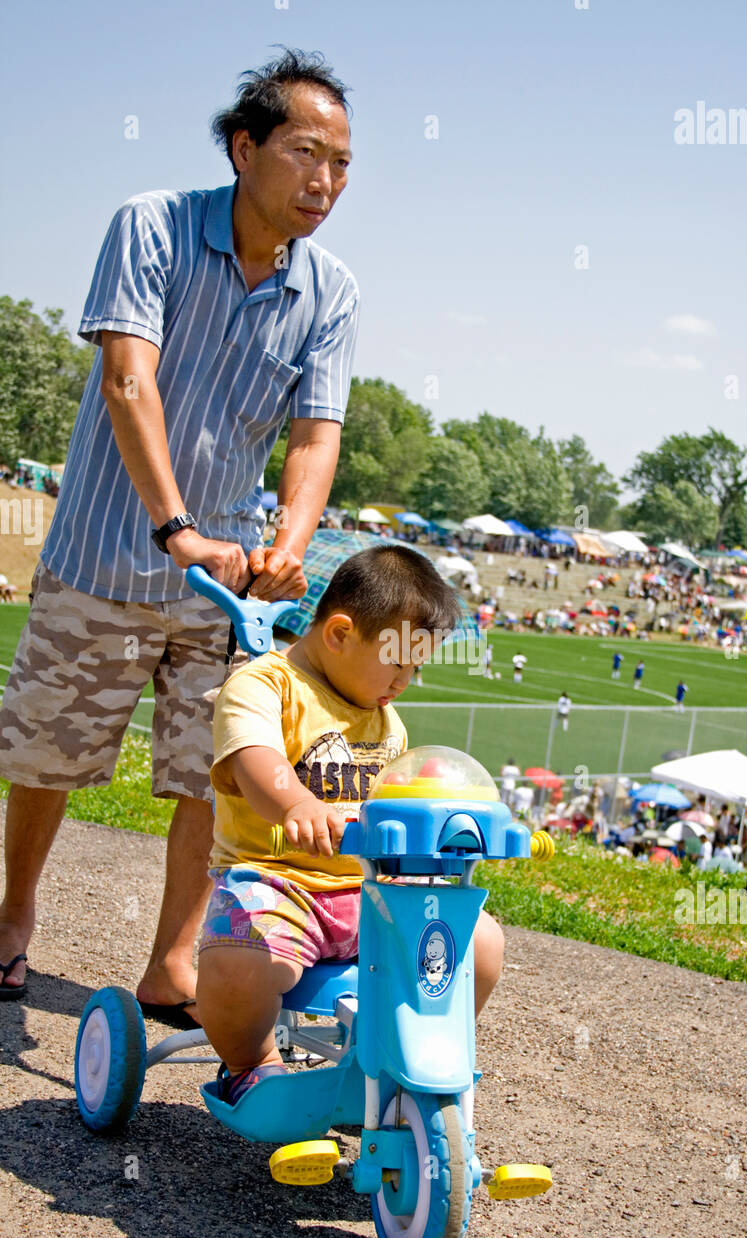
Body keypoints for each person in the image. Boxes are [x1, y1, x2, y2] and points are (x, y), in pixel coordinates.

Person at [0, 51, 360, 1011]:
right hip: (109, 553)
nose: (324, 181)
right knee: (46, 756)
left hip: (227, 584)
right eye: (305, 153)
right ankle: (12, 914)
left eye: (341, 165)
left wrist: (290, 540)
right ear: (245, 148)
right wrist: (178, 528)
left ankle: (173, 960)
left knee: (221, 774)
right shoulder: (151, 225)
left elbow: (315, 437)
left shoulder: (332, 293)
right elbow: (129, 379)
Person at [196, 547, 505, 1101]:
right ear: (339, 634)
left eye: (416, 667)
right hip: (277, 884)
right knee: (240, 966)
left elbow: (395, 804)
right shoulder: (265, 686)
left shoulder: (388, 720)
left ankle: (411, 1049)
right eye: (399, 663)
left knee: (477, 940)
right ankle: (251, 1064)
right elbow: (254, 760)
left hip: (369, 890)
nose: (406, 681)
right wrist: (296, 805)